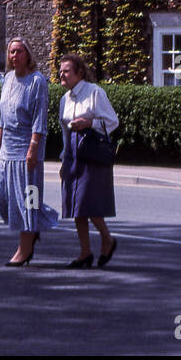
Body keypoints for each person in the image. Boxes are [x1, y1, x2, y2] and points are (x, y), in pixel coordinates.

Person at [0, 38, 58, 266]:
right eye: (11, 51)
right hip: (7, 149)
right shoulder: (8, 78)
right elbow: (3, 114)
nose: (14, 55)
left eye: (19, 51)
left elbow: (40, 118)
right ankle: (33, 226)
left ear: (28, 54)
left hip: (27, 150)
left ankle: (25, 247)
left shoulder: (37, 81)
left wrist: (33, 149)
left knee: (29, 200)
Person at [57, 54, 119, 268]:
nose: (61, 74)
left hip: (91, 153)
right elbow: (65, 132)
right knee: (75, 206)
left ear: (79, 73)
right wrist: (64, 159)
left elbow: (112, 121)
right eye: (60, 70)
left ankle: (107, 239)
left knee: (87, 203)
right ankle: (85, 252)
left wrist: (89, 123)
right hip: (73, 154)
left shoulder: (95, 92)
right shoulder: (66, 98)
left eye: (66, 70)